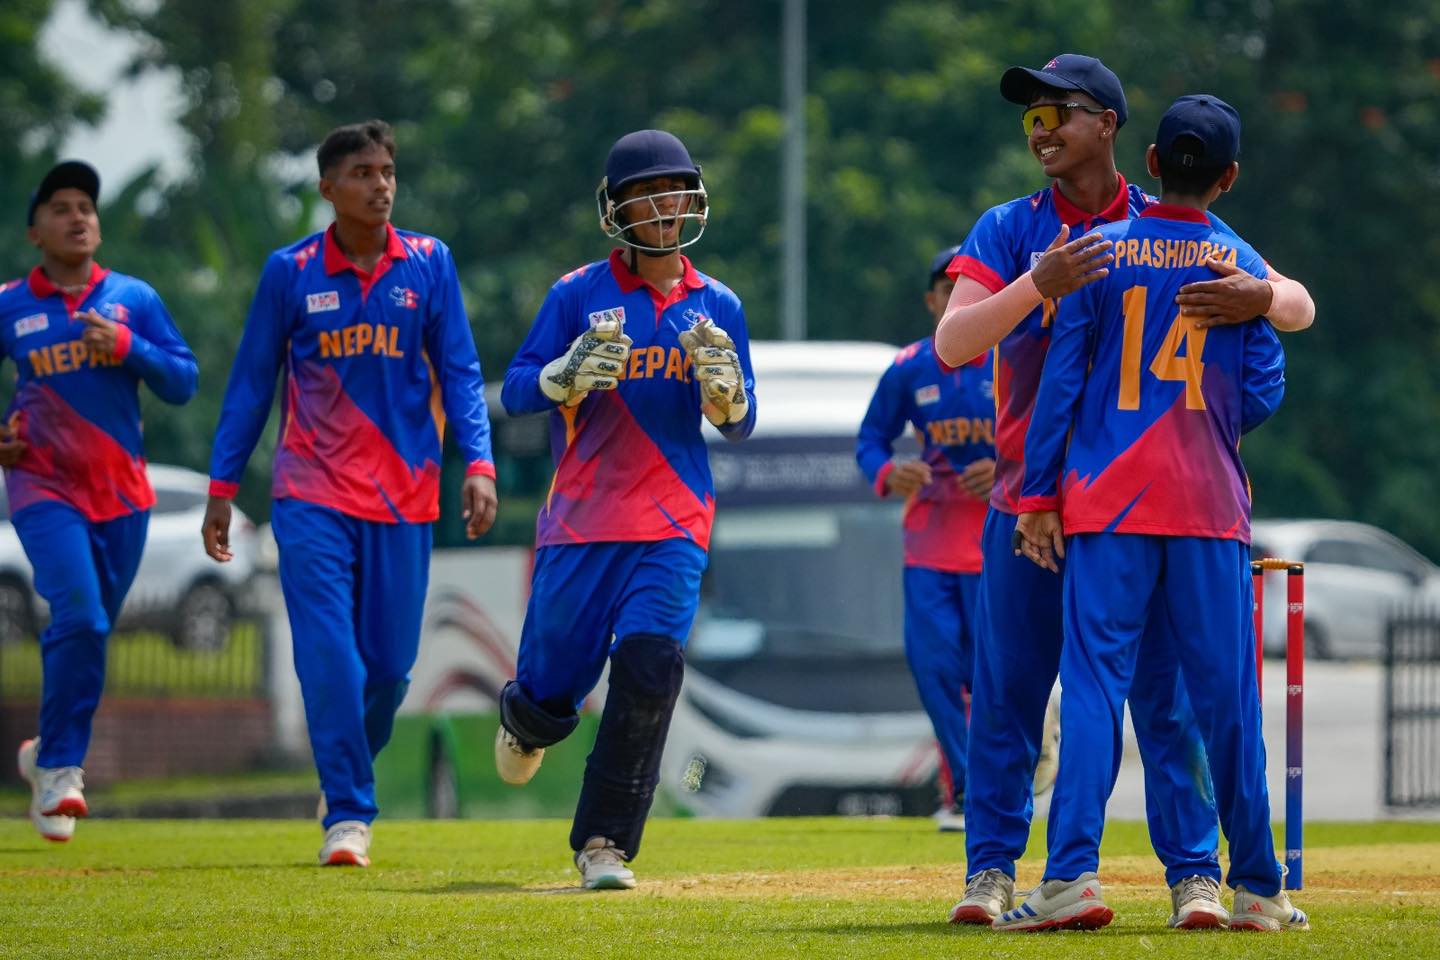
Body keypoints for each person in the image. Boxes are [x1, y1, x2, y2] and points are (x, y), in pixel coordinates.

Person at [934, 55, 1317, 930]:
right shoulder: (1008, 227)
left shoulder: (1154, 224)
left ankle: (1191, 876)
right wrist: (1041, 284)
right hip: (1047, 509)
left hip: (1101, 503)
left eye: (1058, 111)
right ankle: (991, 873)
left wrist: (1260, 296)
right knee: (1011, 694)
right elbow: (955, 343)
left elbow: (1287, 305)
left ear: (1113, 127)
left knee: (1163, 702)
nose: (1040, 127)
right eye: (1031, 114)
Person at [202, 120, 498, 867]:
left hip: (404, 497)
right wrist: (221, 486)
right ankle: (349, 810)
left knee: (391, 669)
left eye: (388, 170)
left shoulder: (430, 263)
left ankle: (343, 775)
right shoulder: (290, 271)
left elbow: (461, 373)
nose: (381, 184)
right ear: (328, 188)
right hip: (312, 493)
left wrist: (480, 463)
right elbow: (248, 387)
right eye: (362, 173)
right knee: (331, 656)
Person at [497, 129, 756, 890]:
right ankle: (531, 713)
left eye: (674, 190)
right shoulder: (576, 294)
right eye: (646, 193)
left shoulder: (718, 304)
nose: (663, 206)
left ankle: (604, 842)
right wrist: (562, 374)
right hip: (582, 521)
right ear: (616, 209)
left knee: (649, 667)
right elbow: (514, 390)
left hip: (674, 522)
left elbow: (741, 422)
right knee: (555, 685)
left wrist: (728, 392)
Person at [2, 160, 198, 842]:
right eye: (60, 207)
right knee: (79, 617)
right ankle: (60, 769)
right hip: (41, 487)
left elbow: (183, 380)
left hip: (123, 496)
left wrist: (128, 345)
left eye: (86, 205)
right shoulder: (10, 305)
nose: (77, 216)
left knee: (86, 633)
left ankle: (41, 753)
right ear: (35, 232)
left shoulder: (132, 298)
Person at [855, 246, 995, 833]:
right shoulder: (911, 367)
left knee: (993, 672)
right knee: (936, 667)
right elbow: (870, 440)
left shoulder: (1013, 359)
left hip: (1001, 544)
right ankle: (966, 792)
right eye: (947, 288)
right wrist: (890, 473)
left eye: (972, 287)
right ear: (933, 300)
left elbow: (1056, 437)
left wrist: (1008, 468)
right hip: (931, 544)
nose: (958, 297)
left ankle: (1003, 780)